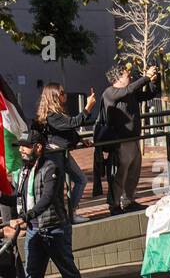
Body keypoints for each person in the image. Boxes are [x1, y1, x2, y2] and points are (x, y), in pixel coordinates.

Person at [4, 129, 83, 278]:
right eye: (20, 147)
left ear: (38, 147)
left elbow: (46, 199)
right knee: (32, 277)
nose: (20, 150)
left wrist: (24, 218)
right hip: (34, 231)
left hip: (55, 230)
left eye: (25, 147)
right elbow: (18, 198)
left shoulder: (51, 168)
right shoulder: (25, 171)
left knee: (69, 272)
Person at [100, 62, 158, 213]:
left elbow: (150, 94)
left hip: (134, 138)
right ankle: (114, 204)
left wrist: (153, 81)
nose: (130, 77)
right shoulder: (110, 93)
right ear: (118, 77)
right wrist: (146, 77)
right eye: (127, 74)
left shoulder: (129, 92)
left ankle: (129, 201)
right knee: (120, 174)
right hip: (120, 141)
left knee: (133, 173)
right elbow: (128, 90)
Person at [33, 82, 95, 223]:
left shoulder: (57, 113)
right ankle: (64, 216)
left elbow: (68, 130)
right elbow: (74, 123)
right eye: (61, 93)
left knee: (79, 180)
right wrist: (88, 107)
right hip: (55, 155)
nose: (65, 95)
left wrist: (80, 140)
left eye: (64, 92)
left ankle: (69, 214)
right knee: (59, 185)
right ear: (54, 97)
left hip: (62, 153)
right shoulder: (51, 115)